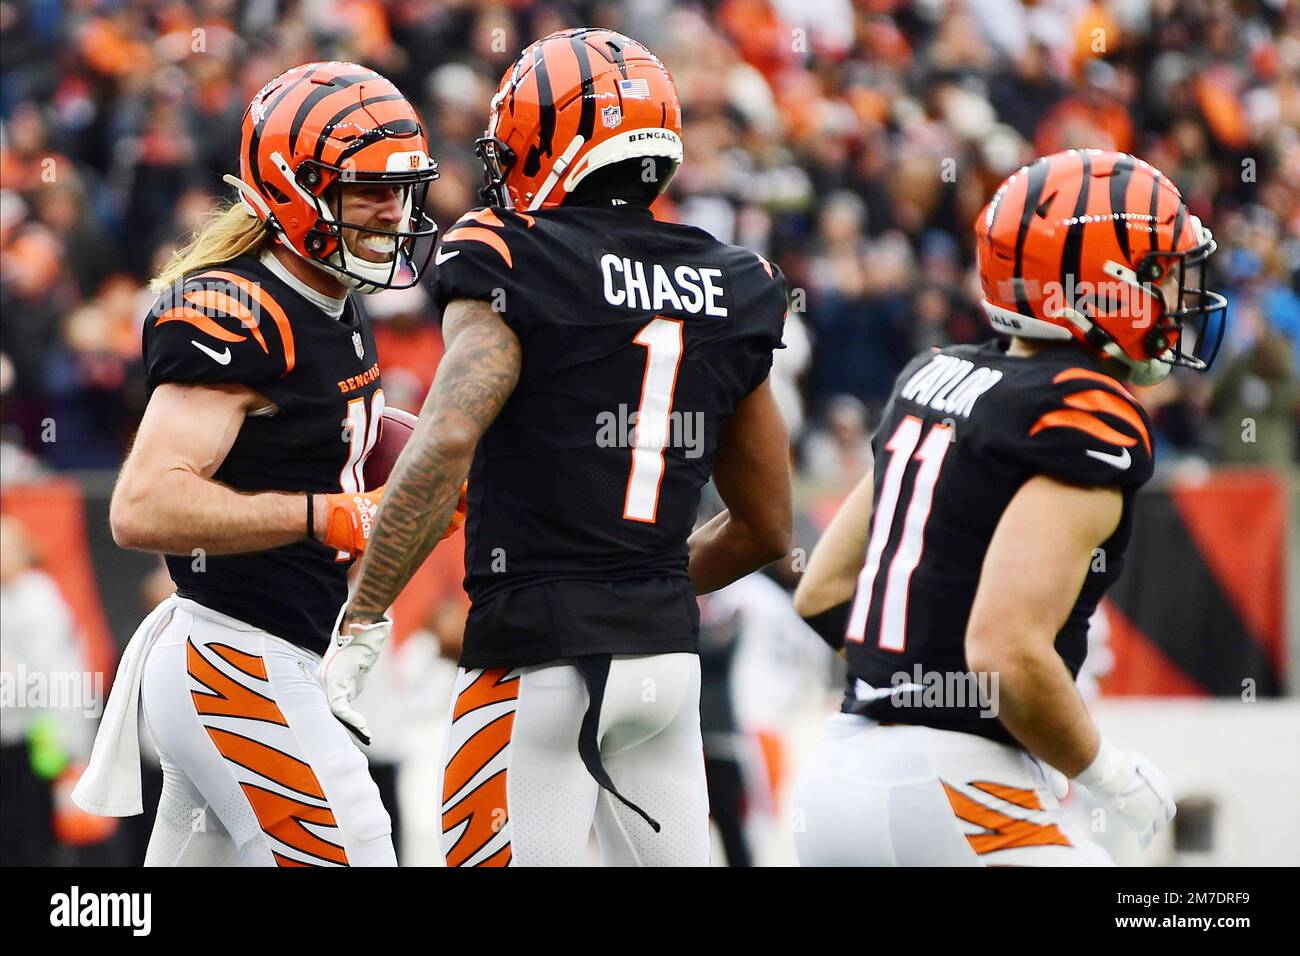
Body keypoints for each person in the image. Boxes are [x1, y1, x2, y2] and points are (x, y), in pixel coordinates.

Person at [326, 28, 793, 867]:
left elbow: (447, 439)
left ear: (551, 139)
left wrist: (363, 615)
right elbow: (765, 527)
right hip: (664, 670)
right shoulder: (738, 281)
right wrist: (631, 584)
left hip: (534, 665)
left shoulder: (508, 253)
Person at [791, 149, 1229, 866]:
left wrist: (916, 690)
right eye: (1162, 275)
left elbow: (824, 591)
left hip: (837, 778)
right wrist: (1107, 773)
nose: (1180, 299)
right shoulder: (1086, 410)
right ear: (1102, 286)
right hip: (957, 792)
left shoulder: (934, 376)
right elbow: (1004, 650)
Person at [72, 61, 451, 867]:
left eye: (401, 187)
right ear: (294, 187)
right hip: (233, 655)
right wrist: (330, 513)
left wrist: (398, 458)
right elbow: (141, 509)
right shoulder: (242, 307)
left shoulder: (334, 295)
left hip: (265, 654)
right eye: (367, 189)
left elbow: (309, 438)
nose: (394, 210)